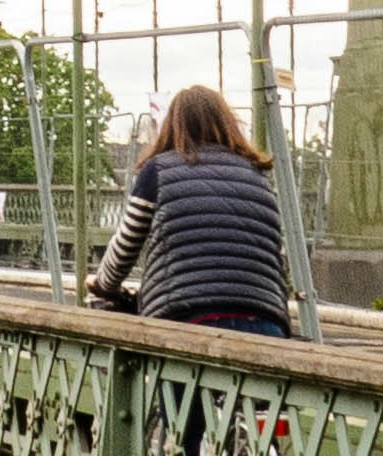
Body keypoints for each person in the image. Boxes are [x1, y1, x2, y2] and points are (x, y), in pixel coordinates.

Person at [90, 86, 292, 339]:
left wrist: (103, 285)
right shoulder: (258, 176)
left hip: (186, 318)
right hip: (265, 321)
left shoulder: (158, 171)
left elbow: (126, 245)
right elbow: (276, 256)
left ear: (172, 126)